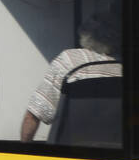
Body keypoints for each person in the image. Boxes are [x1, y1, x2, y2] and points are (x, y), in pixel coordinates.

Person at [20, 13, 122, 142]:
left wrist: (25, 150)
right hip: (114, 153)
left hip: (69, 153)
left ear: (85, 34)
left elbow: (33, 115)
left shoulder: (69, 60)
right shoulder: (124, 69)